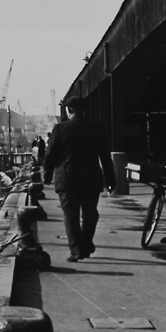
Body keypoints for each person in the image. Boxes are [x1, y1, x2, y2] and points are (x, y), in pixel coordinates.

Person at [43, 96, 115, 262]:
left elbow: (50, 155)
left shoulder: (60, 128)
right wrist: (111, 181)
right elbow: (105, 156)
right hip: (90, 179)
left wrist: (47, 175)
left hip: (67, 180)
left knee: (71, 216)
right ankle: (87, 241)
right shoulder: (95, 128)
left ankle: (76, 250)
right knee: (90, 213)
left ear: (69, 110)